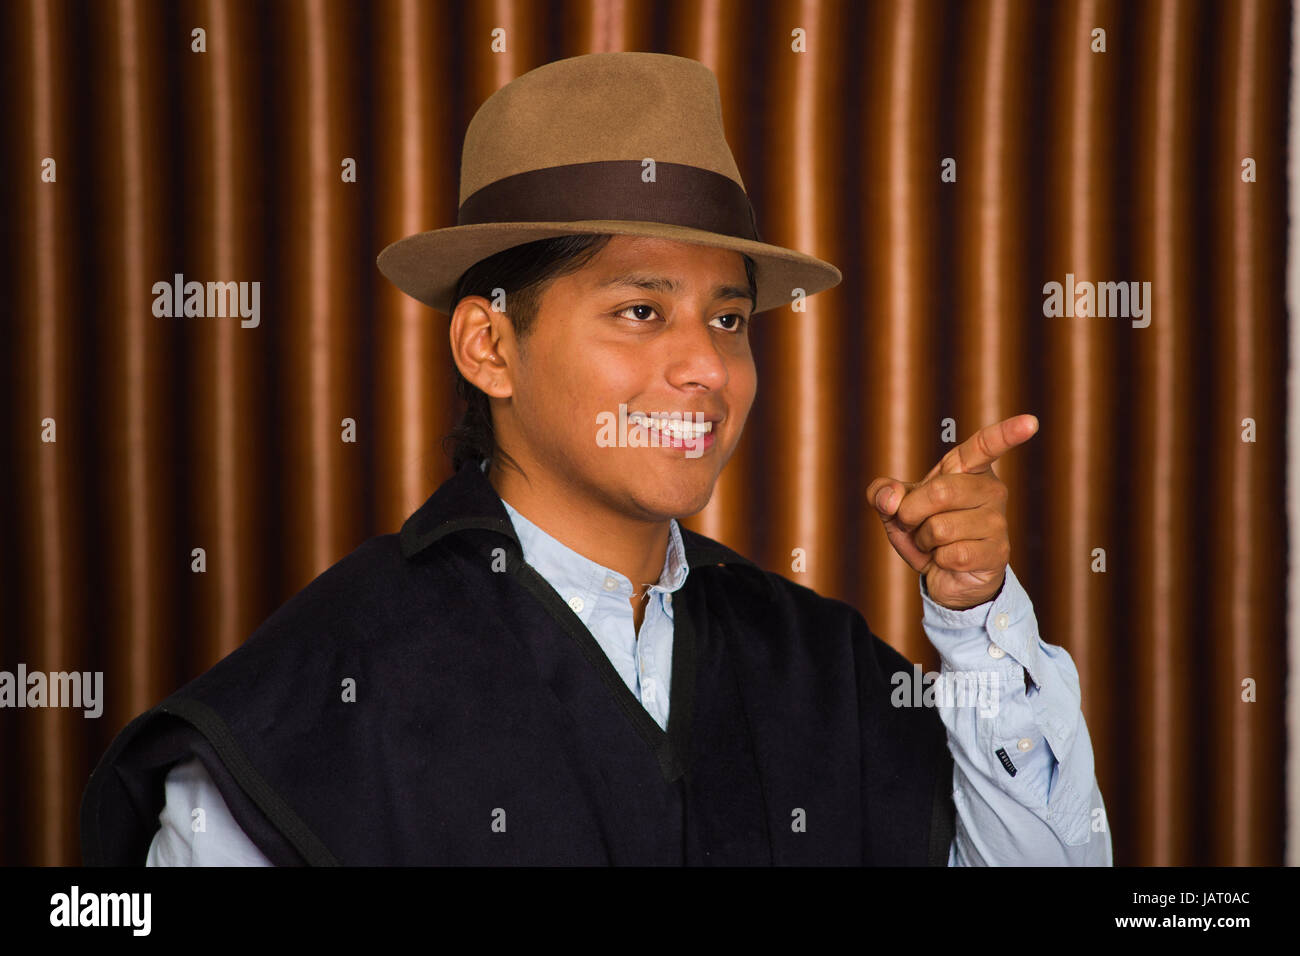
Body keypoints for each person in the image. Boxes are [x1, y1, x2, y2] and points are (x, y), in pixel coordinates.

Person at [81, 51, 1111, 866]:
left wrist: (977, 626)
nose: (705, 365)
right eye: (639, 310)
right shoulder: (317, 691)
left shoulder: (818, 664)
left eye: (729, 317)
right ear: (490, 345)